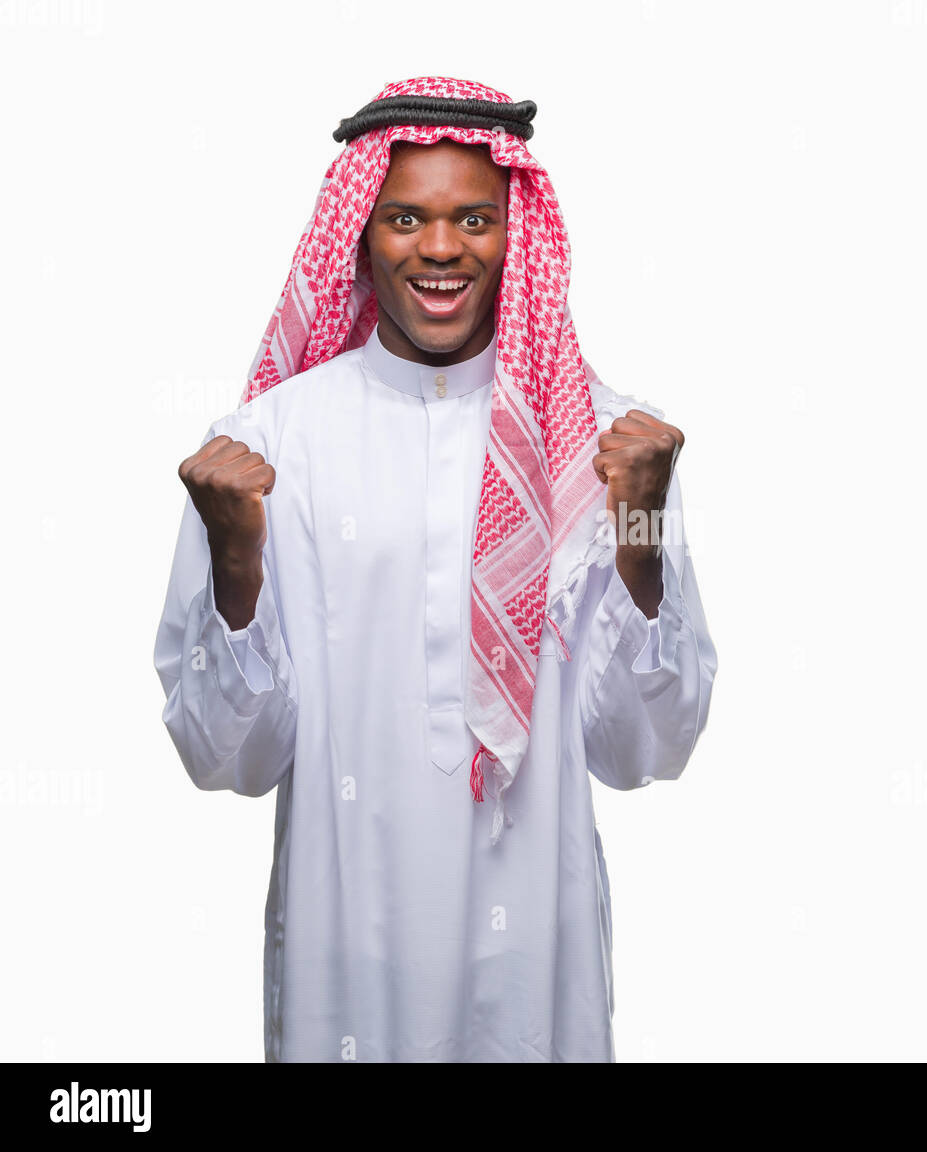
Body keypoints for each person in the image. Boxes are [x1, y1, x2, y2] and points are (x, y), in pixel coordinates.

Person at [152, 76, 718, 1063]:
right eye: (406, 217)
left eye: (474, 219)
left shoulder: (603, 444)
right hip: (347, 968)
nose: (442, 249)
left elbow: (642, 752)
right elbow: (227, 763)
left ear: (516, 234)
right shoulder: (269, 442)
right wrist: (236, 564)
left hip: (534, 964)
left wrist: (638, 532)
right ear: (361, 234)